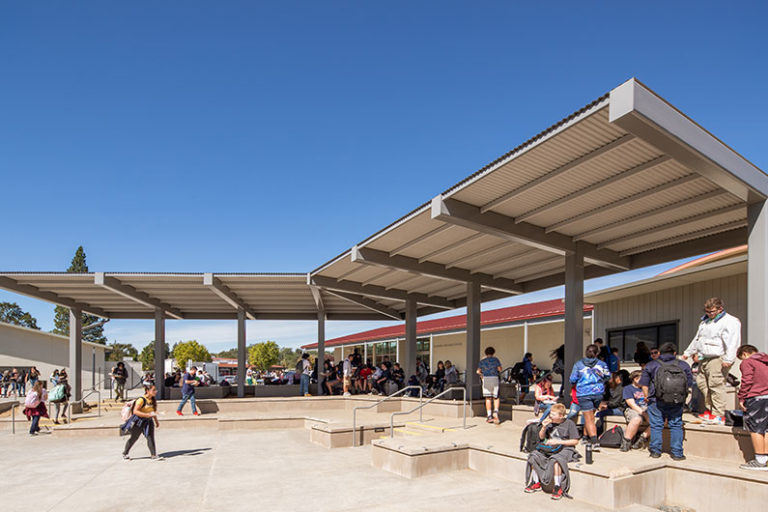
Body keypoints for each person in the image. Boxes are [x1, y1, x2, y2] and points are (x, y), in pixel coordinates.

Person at [682, 297, 741, 425]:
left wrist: (729, 358)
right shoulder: (705, 322)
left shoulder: (729, 321)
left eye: (712, 311)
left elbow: (733, 341)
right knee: (702, 383)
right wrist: (688, 352)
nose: (709, 314)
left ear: (720, 309)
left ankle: (719, 414)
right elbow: (698, 339)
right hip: (704, 357)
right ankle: (711, 410)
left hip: (718, 357)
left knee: (716, 385)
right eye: (707, 311)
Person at [640, 342, 693, 460]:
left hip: (656, 400)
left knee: (656, 425)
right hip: (677, 400)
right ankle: (677, 453)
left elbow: (644, 384)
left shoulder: (652, 365)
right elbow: (689, 383)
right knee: (676, 425)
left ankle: (655, 452)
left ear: (660, 353)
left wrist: (647, 397)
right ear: (674, 353)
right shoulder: (683, 365)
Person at [524, 403, 580, 500]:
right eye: (550, 413)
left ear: (561, 416)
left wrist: (558, 442)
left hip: (566, 448)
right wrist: (543, 427)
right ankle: (536, 482)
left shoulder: (569, 423)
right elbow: (541, 437)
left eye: (553, 414)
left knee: (556, 460)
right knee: (534, 456)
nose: (550, 416)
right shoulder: (550, 423)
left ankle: (558, 486)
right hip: (552, 448)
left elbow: (575, 441)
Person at [569, 344, 610, 449]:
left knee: (589, 419)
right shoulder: (602, 364)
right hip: (598, 393)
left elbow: (572, 379)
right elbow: (608, 376)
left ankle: (594, 441)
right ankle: (585, 437)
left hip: (584, 393)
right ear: (597, 353)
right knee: (591, 416)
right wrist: (600, 382)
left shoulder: (578, 364)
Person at [735, 344, 768, 470]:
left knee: (756, 428)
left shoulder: (748, 362)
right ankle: (766, 460)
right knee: (767, 429)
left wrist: (741, 398)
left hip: (757, 398)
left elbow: (747, 381)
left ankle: (760, 460)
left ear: (744, 354)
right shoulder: (765, 360)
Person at [121, 384, 162, 460]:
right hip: (139, 421)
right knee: (134, 437)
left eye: (155, 390)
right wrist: (147, 415)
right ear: (147, 391)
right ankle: (125, 453)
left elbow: (153, 411)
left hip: (148, 421)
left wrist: (156, 421)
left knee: (150, 437)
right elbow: (135, 411)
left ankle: (153, 455)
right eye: (153, 390)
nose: (155, 391)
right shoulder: (141, 400)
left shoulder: (152, 400)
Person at [620, 370, 650, 451]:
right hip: (634, 409)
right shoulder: (628, 388)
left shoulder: (647, 388)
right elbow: (631, 404)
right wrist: (644, 414)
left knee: (660, 420)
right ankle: (626, 441)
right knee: (636, 419)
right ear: (635, 379)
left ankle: (642, 437)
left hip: (647, 408)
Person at [477, 346, 502, 424]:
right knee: (496, 397)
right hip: (494, 378)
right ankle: (496, 412)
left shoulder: (482, 361)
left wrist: (482, 375)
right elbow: (500, 369)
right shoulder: (496, 360)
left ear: (485, 353)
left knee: (488, 398)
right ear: (493, 353)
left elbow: (478, 371)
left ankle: (489, 415)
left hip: (486, 379)